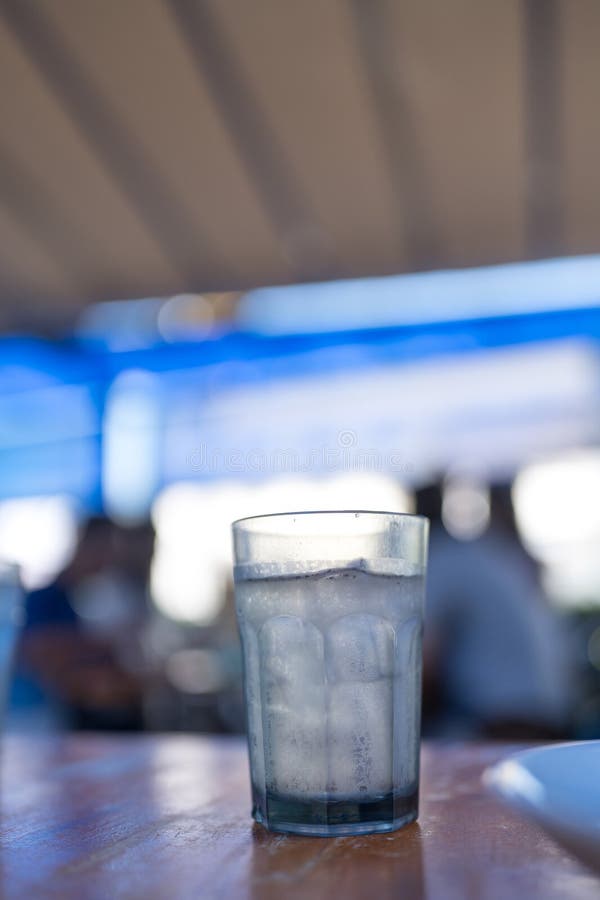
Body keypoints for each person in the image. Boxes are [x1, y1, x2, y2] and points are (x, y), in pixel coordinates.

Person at [419, 481, 574, 738]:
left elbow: (422, 668)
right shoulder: (503, 552)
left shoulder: (444, 556)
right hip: (554, 716)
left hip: (504, 724)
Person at [18, 517, 144, 729]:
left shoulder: (77, 598)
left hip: (54, 717)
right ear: (86, 545)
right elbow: (35, 651)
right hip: (30, 718)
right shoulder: (43, 598)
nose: (108, 560)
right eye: (106, 549)